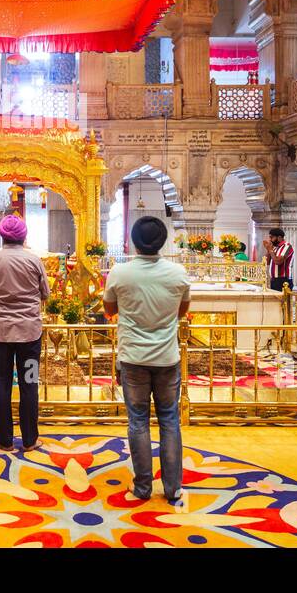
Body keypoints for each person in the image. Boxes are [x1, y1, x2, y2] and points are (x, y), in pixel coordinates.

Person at [103, 216, 191, 505]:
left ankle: (142, 487)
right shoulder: (178, 273)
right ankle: (173, 488)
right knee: (169, 421)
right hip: (167, 357)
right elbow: (182, 311)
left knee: (138, 421)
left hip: (133, 358)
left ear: (134, 241)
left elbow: (109, 309)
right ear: (163, 241)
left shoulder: (121, 272)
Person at [0, 214, 50, 452]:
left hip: (1, 334)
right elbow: (45, 293)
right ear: (24, 236)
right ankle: (30, 440)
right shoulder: (34, 261)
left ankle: (4, 440)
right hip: (30, 334)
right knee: (29, 382)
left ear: (1, 235)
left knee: (1, 383)